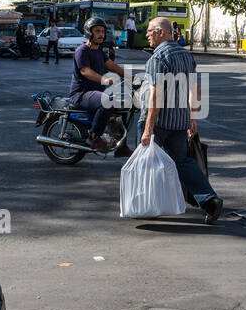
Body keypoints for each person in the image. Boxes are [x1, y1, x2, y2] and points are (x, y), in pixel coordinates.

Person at [140, 17, 223, 223]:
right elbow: (194, 88)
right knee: (183, 162)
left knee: (148, 162)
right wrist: (192, 117)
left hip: (158, 123)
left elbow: (155, 97)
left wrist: (148, 129)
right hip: (179, 120)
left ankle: (149, 204)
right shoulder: (186, 55)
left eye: (150, 31)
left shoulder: (158, 58)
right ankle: (210, 200)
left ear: (161, 32)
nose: (147, 35)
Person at [69, 18, 132, 153]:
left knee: (123, 106)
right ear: (89, 32)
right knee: (107, 101)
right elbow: (85, 71)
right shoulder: (82, 50)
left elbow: (112, 66)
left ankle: (120, 144)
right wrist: (105, 80)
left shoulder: (99, 51)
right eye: (97, 31)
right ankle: (93, 136)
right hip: (81, 94)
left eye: (103, 31)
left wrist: (132, 77)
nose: (101, 34)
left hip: (95, 93)